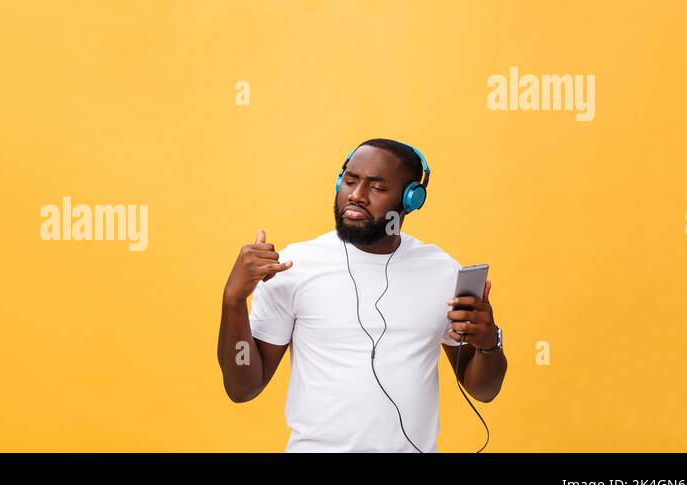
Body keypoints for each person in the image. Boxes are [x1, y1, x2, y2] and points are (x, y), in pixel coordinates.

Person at [216, 138, 507, 452]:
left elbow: (483, 390)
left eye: (377, 188)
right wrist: (233, 300)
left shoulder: (442, 272)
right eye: (350, 181)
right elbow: (242, 388)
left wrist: (488, 343)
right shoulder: (293, 266)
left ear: (411, 199)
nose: (356, 195)